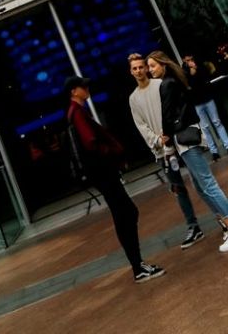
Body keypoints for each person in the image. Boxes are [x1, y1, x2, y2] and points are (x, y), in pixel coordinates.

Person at [145, 51, 228, 253]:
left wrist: (165, 135)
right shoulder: (174, 80)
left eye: (152, 66)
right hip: (186, 137)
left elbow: (167, 115)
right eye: (149, 67)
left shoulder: (167, 84)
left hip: (184, 139)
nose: (150, 70)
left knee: (208, 184)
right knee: (201, 187)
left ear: (163, 65)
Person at [65, 75, 165, 283]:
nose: (87, 88)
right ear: (74, 91)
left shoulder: (76, 113)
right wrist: (112, 153)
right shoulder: (77, 114)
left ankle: (138, 264)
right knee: (125, 213)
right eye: (83, 86)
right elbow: (91, 142)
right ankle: (138, 267)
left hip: (102, 173)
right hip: (103, 172)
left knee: (125, 213)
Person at [127, 53, 204, 249]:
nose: (138, 71)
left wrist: (168, 132)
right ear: (131, 72)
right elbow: (140, 125)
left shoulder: (159, 84)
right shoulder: (133, 98)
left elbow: (172, 109)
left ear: (146, 67)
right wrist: (157, 140)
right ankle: (193, 226)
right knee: (178, 189)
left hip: (178, 141)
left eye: (141, 67)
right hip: (162, 151)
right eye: (134, 68)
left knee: (200, 180)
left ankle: (221, 217)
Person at [182, 53, 228, 161]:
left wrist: (197, 70)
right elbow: (188, 86)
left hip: (208, 98)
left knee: (217, 122)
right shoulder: (184, 71)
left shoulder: (200, 65)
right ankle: (214, 151)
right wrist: (191, 74)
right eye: (187, 60)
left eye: (191, 59)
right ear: (184, 60)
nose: (190, 62)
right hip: (197, 103)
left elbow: (206, 78)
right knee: (205, 127)